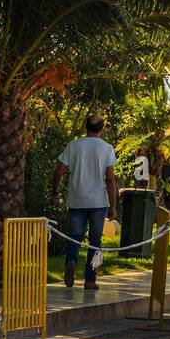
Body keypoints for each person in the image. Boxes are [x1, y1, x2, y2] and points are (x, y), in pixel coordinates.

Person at [51, 115, 117, 290]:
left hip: (76, 199)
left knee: (75, 236)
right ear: (102, 129)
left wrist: (55, 193)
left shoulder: (74, 146)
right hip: (98, 202)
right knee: (95, 240)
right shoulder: (107, 148)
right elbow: (110, 180)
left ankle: (71, 261)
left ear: (85, 126)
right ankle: (90, 279)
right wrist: (113, 206)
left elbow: (58, 172)